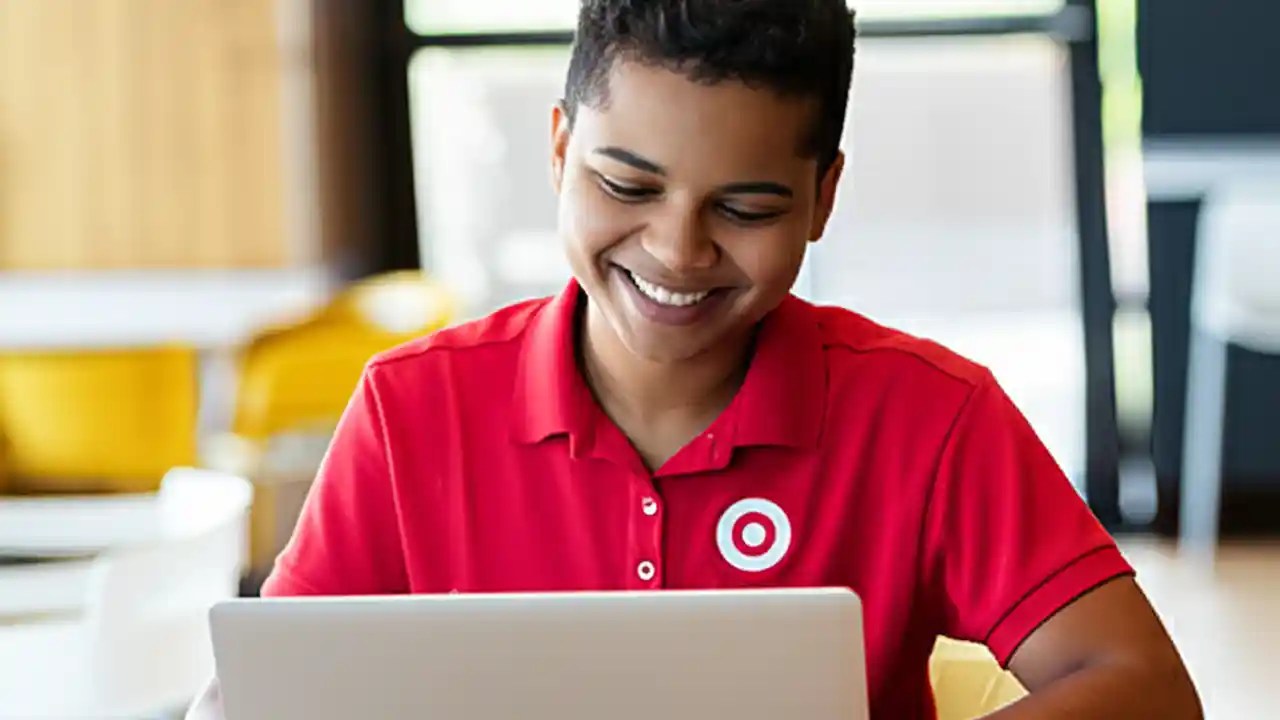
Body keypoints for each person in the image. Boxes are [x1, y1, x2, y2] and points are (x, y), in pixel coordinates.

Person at [190, 1, 1202, 718]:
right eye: (625, 186)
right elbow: (267, 693)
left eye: (745, 207)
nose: (676, 251)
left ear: (820, 198)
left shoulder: (928, 415)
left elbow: (1145, 688)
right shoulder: (413, 408)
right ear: (556, 151)